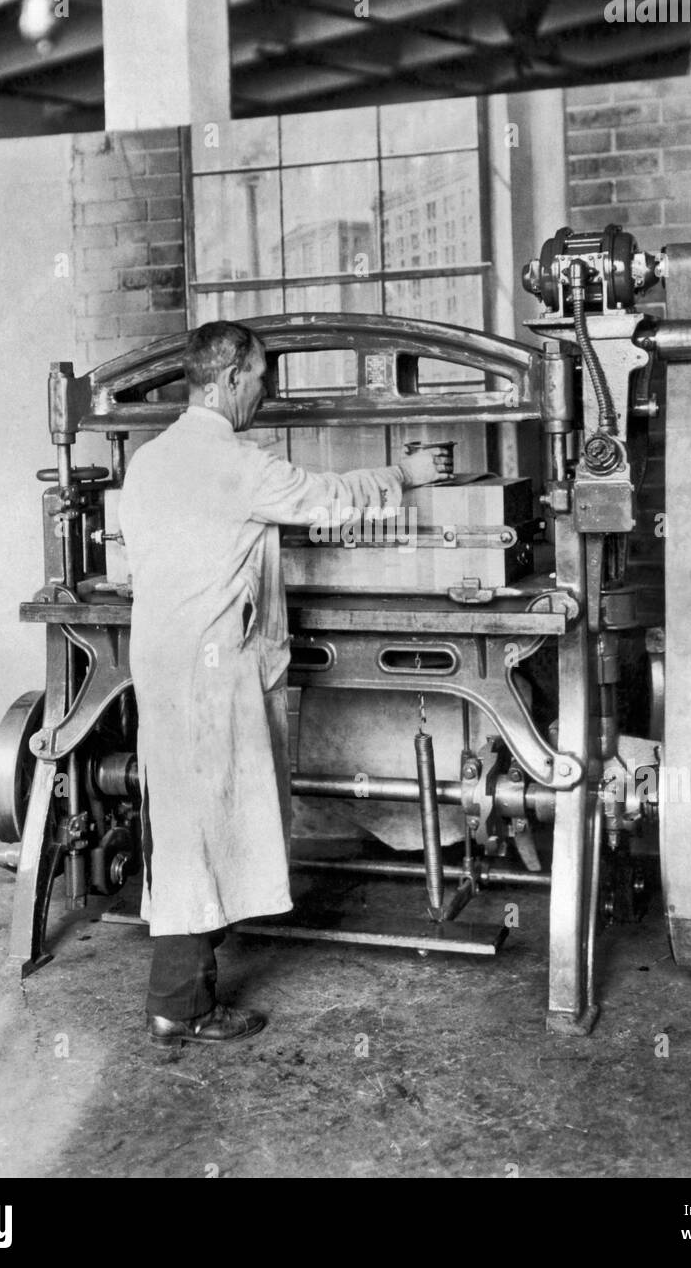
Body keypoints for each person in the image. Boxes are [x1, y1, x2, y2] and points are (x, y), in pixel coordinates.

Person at [118, 320, 451, 1048]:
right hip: (211, 669)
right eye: (263, 375)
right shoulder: (232, 461)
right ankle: (180, 1003)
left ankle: (187, 986)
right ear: (230, 377)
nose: (268, 389)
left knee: (185, 823)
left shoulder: (148, 461)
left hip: (165, 656)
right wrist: (406, 474)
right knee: (200, 833)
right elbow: (326, 499)